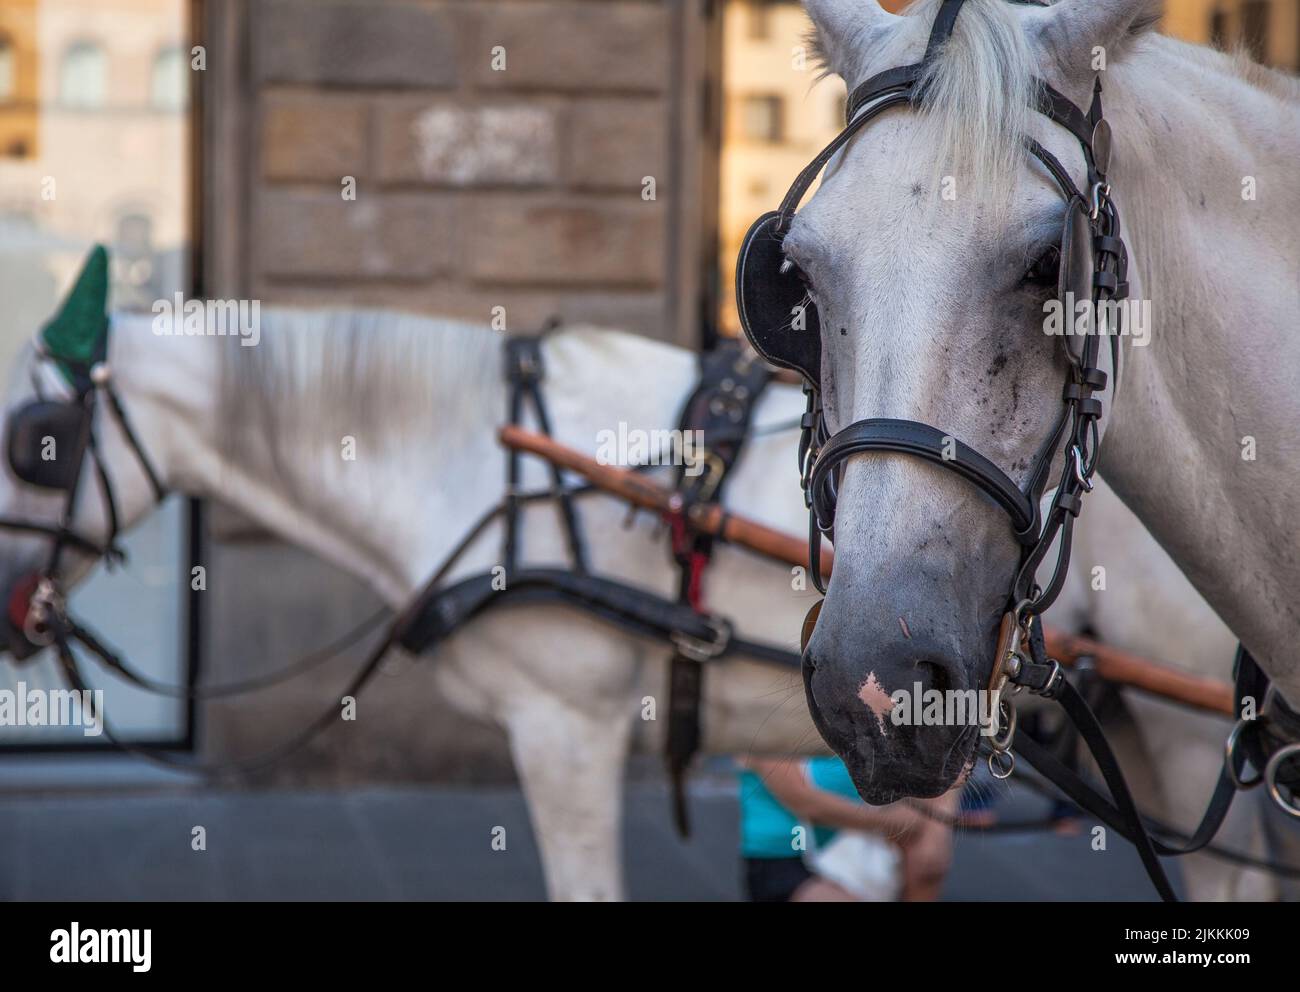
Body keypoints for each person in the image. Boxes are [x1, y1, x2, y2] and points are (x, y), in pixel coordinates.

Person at [737, 755, 956, 902]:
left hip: (864, 848)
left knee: (929, 860)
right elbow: (803, 801)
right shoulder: (763, 718)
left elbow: (942, 752)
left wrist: (937, 824)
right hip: (784, 860)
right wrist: (890, 821)